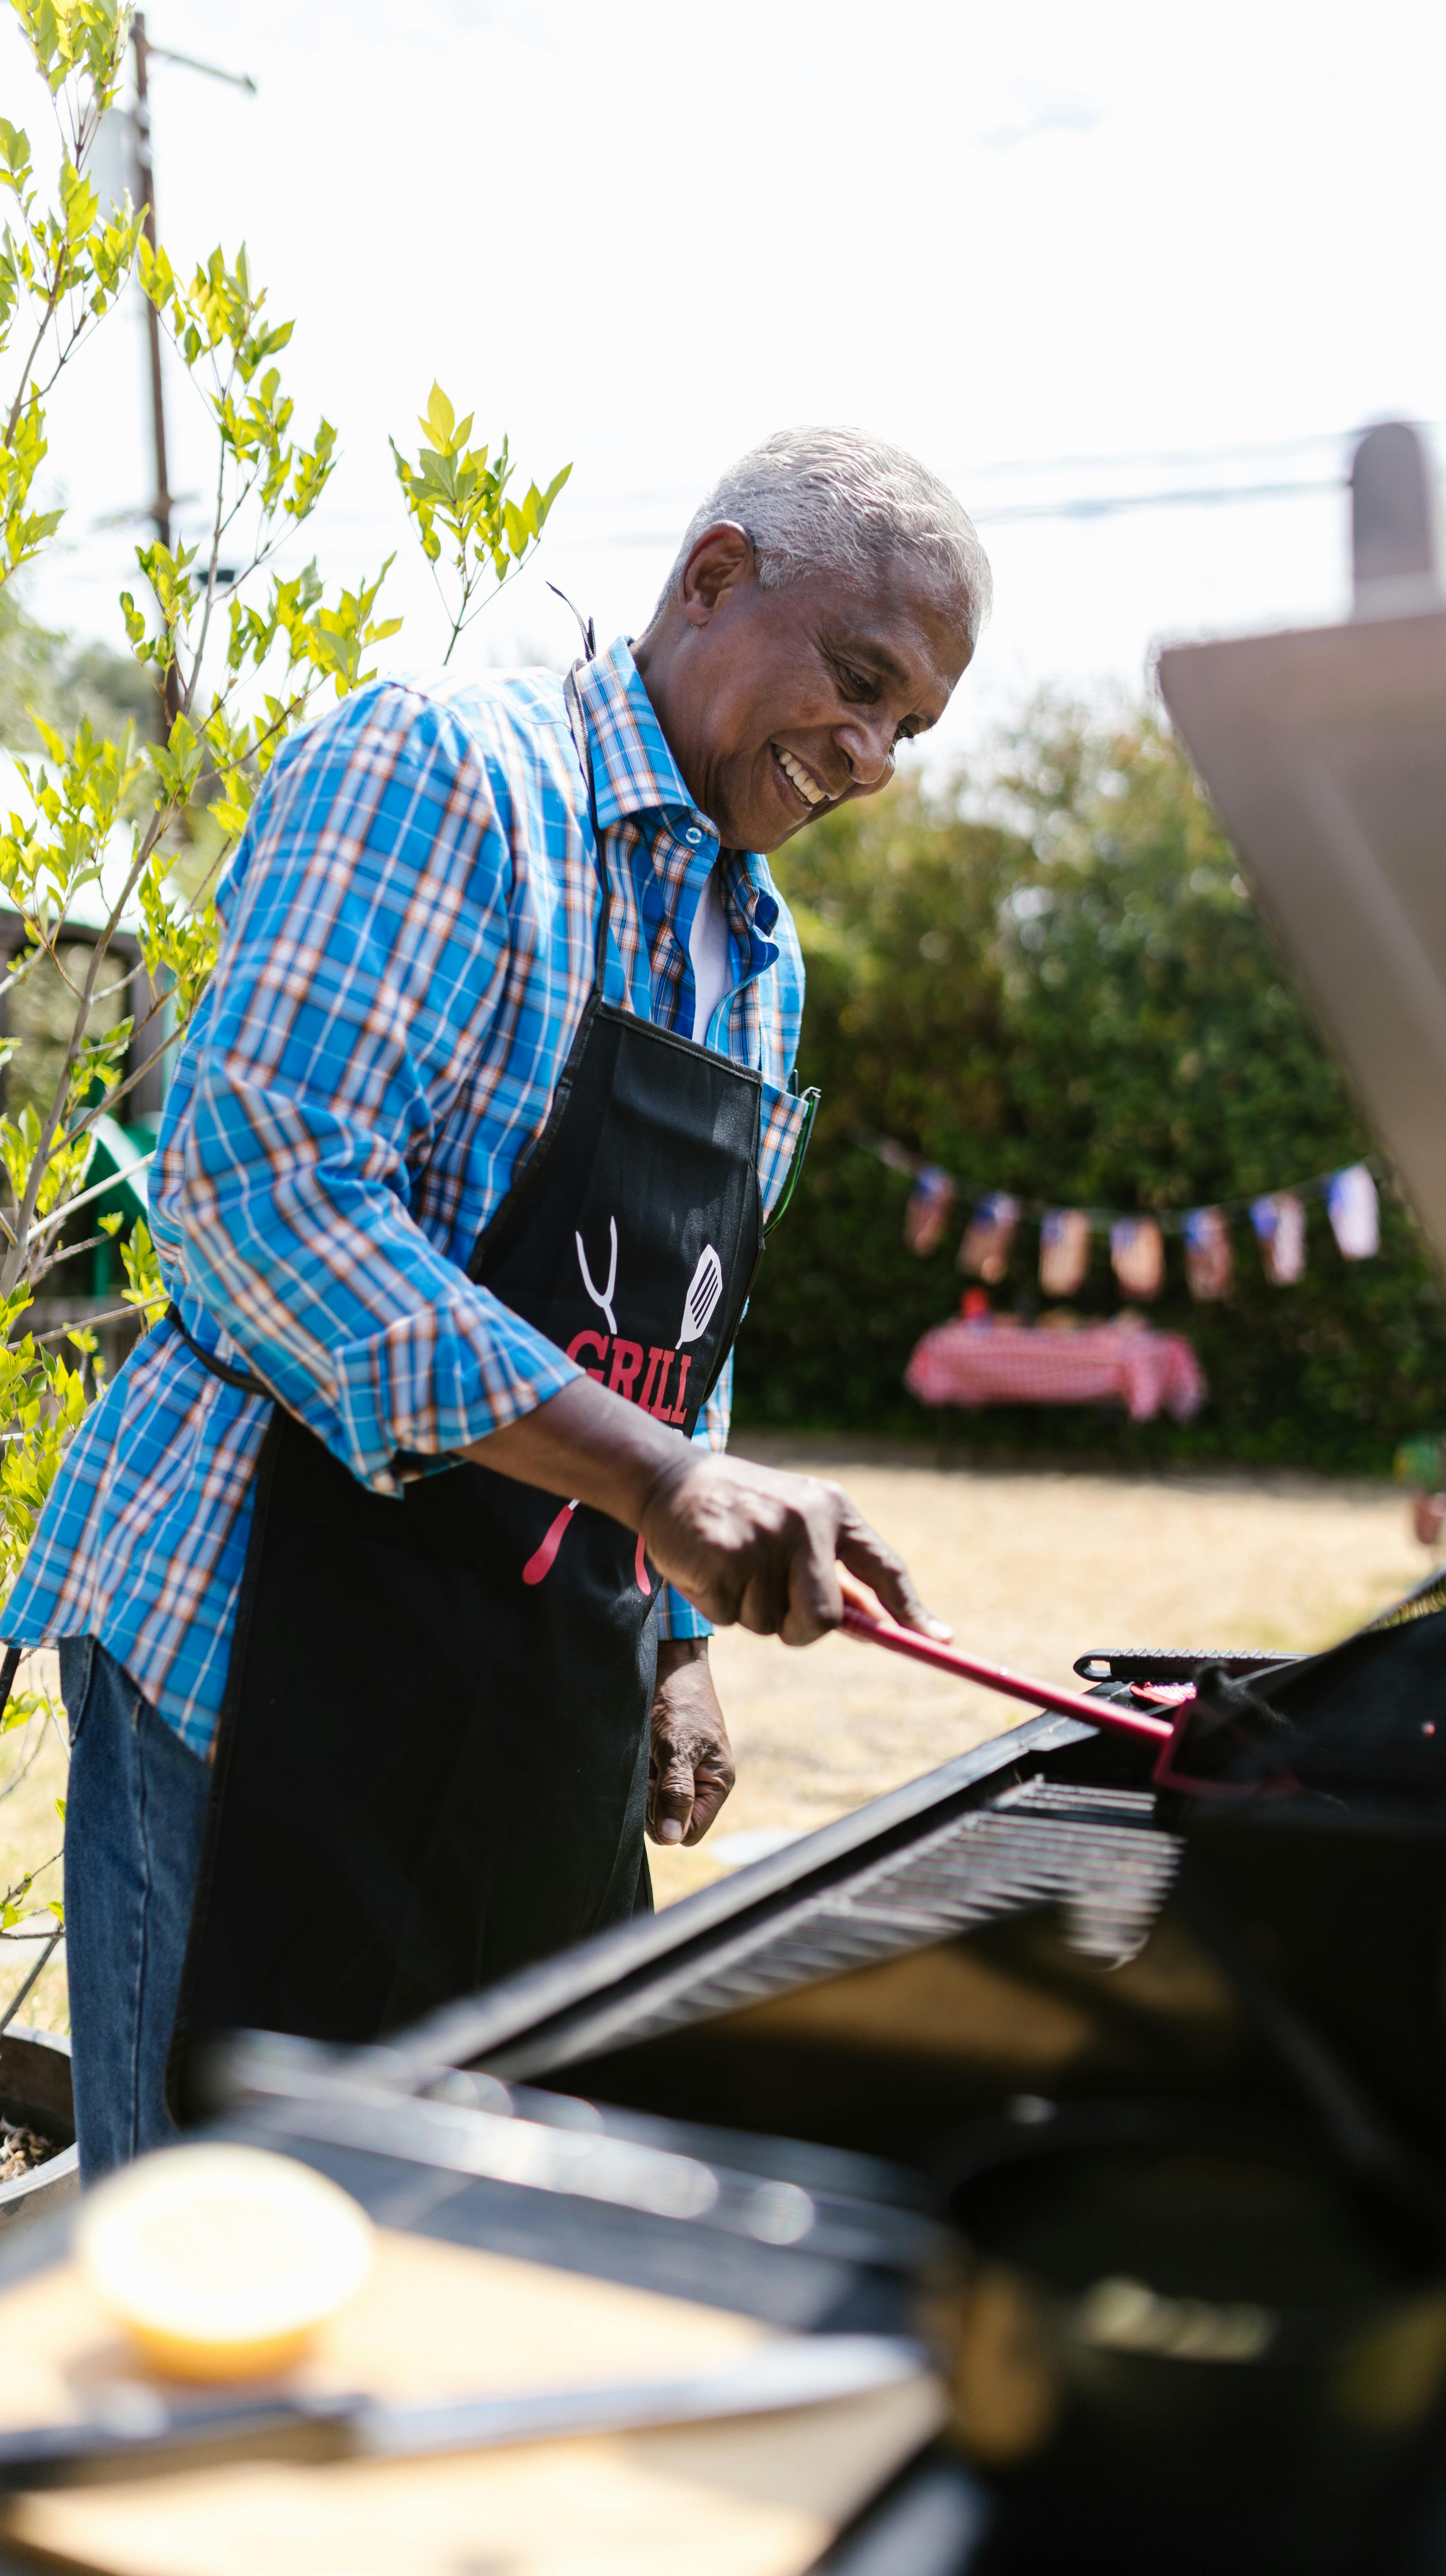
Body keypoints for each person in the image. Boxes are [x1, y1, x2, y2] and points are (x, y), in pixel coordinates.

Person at [2, 426, 991, 2175]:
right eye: (857, 682)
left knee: (472, 2251)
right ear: (711, 579)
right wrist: (658, 1486)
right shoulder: (450, 773)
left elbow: (682, 1328)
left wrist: (677, 1644)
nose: (871, 757)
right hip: (260, 1648)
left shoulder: (761, 961)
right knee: (221, 2272)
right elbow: (265, 1196)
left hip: (532, 1696)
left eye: (908, 727)